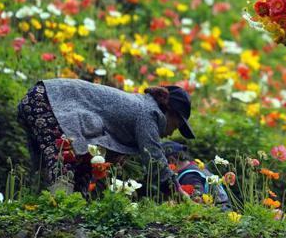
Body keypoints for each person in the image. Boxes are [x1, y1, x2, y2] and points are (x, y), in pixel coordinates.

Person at [16, 78, 194, 198]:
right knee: (63, 165)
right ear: (169, 112)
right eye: (175, 126)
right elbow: (154, 159)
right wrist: (177, 192)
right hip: (45, 100)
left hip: (44, 101)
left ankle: (63, 216)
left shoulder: (142, 107)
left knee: (79, 172)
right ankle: (59, 219)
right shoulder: (149, 113)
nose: (171, 134)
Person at [161, 141, 232, 211]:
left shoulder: (188, 176)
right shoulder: (197, 167)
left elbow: (197, 204)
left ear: (172, 160)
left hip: (219, 214)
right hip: (225, 211)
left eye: (162, 165)